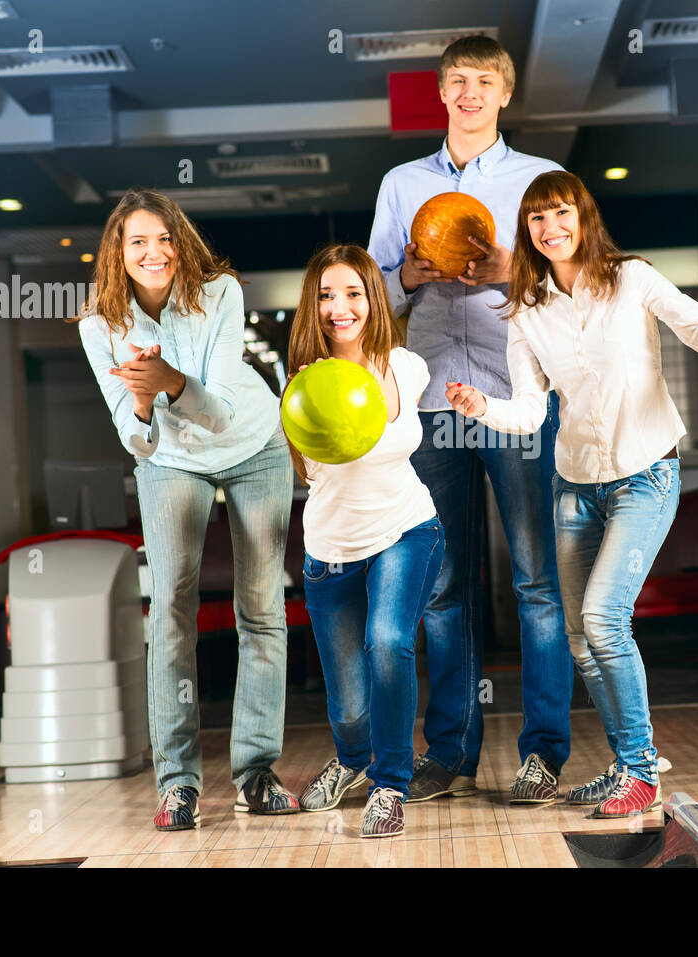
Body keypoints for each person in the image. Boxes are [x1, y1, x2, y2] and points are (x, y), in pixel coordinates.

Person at [446, 171, 698, 817]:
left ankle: (641, 770)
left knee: (605, 619)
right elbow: (529, 411)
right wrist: (482, 406)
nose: (550, 228)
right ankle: (623, 765)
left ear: (584, 219)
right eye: (536, 220)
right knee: (581, 637)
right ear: (526, 233)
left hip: (645, 473)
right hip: (574, 484)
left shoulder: (632, 278)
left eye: (561, 214)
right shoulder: (526, 309)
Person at [368, 34, 572, 805]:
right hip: (429, 404)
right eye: (456, 81)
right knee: (442, 587)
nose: (469, 93)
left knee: (537, 582)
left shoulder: (540, 183)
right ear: (442, 94)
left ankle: (543, 752)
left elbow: (572, 284)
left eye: (483, 81)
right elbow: (374, 298)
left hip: (516, 400)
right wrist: (408, 275)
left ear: (505, 93)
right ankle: (449, 751)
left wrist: (508, 269)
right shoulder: (400, 185)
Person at [76, 187, 297, 830]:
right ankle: (177, 781)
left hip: (254, 444)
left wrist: (170, 381)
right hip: (171, 460)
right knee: (171, 604)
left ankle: (256, 771)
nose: (154, 252)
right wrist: (144, 402)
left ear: (181, 243)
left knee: (260, 607)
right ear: (118, 253)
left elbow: (222, 410)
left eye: (164, 238)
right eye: (138, 241)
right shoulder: (102, 325)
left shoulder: (220, 292)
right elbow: (135, 438)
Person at [287, 244, 445, 838]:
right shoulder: (302, 381)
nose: (339, 307)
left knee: (388, 641)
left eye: (352, 292)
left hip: (406, 529)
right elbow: (310, 471)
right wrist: (306, 410)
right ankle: (354, 760)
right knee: (350, 707)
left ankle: (389, 785)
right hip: (331, 552)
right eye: (326, 295)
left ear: (372, 299)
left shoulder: (408, 367)